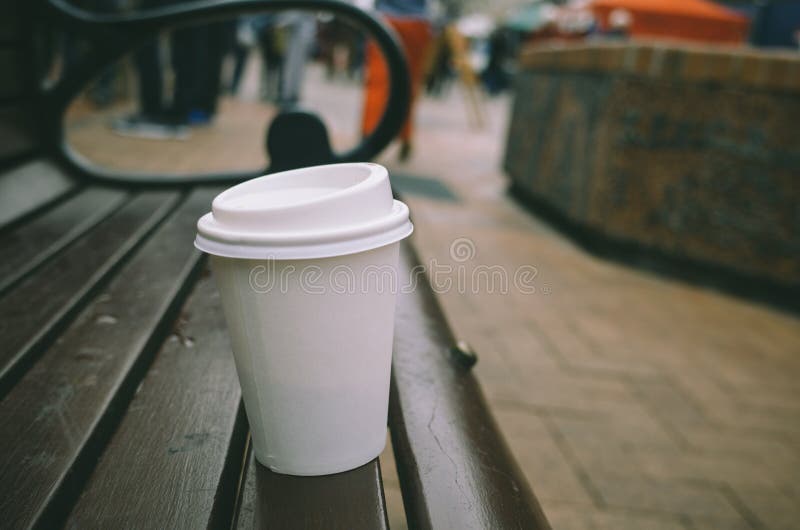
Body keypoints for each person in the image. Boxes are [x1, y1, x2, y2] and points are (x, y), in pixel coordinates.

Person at [361, 0, 433, 161]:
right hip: (416, 21)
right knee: (408, 83)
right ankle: (405, 135)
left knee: (378, 82)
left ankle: (370, 135)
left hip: (387, 18)